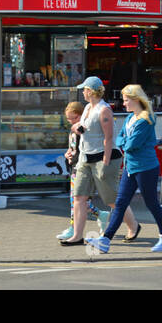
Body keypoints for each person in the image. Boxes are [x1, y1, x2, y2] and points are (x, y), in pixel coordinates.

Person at [87, 84, 162, 254]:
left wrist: (125, 143)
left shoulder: (146, 120)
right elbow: (120, 139)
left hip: (146, 168)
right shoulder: (130, 118)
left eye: (126, 100)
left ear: (135, 100)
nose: (124, 104)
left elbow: (132, 144)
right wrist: (124, 143)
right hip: (130, 167)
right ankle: (105, 240)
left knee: (152, 204)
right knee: (120, 204)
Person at [61, 77, 137, 246]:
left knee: (110, 199)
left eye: (84, 89)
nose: (82, 92)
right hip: (85, 158)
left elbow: (109, 138)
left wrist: (106, 162)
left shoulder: (104, 110)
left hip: (105, 157)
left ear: (91, 91)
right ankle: (77, 236)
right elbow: (79, 126)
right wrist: (77, 128)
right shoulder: (88, 107)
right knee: (79, 196)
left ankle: (133, 226)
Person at [57, 101, 107, 241]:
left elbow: (86, 148)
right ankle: (100, 215)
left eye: (74, 118)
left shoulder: (83, 130)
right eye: (68, 119)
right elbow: (73, 147)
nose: (71, 121)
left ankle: (74, 228)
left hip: (81, 167)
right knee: (77, 200)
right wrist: (68, 153)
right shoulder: (73, 130)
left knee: (77, 200)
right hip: (73, 166)